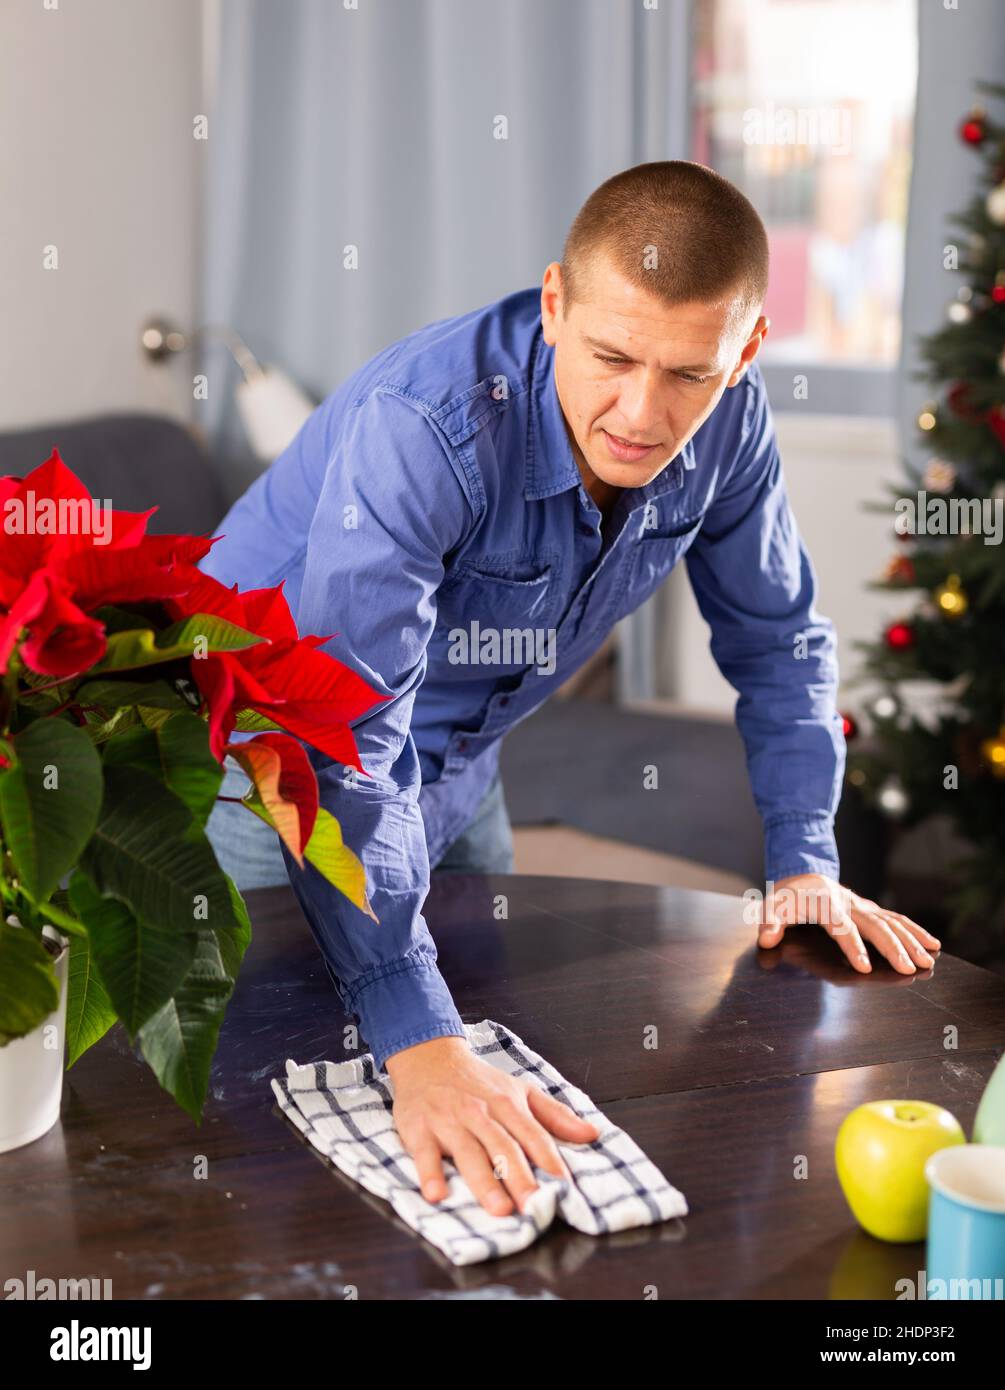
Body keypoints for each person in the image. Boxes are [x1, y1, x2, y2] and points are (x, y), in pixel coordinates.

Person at [203, 160, 939, 1221]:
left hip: (464, 760)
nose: (642, 413)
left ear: (748, 349)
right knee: (270, 1136)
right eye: (610, 355)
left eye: (691, 371)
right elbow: (344, 740)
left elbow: (779, 636)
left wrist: (804, 856)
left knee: (487, 1094)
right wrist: (413, 1028)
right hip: (267, 761)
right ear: (555, 304)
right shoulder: (427, 428)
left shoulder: (731, 422)